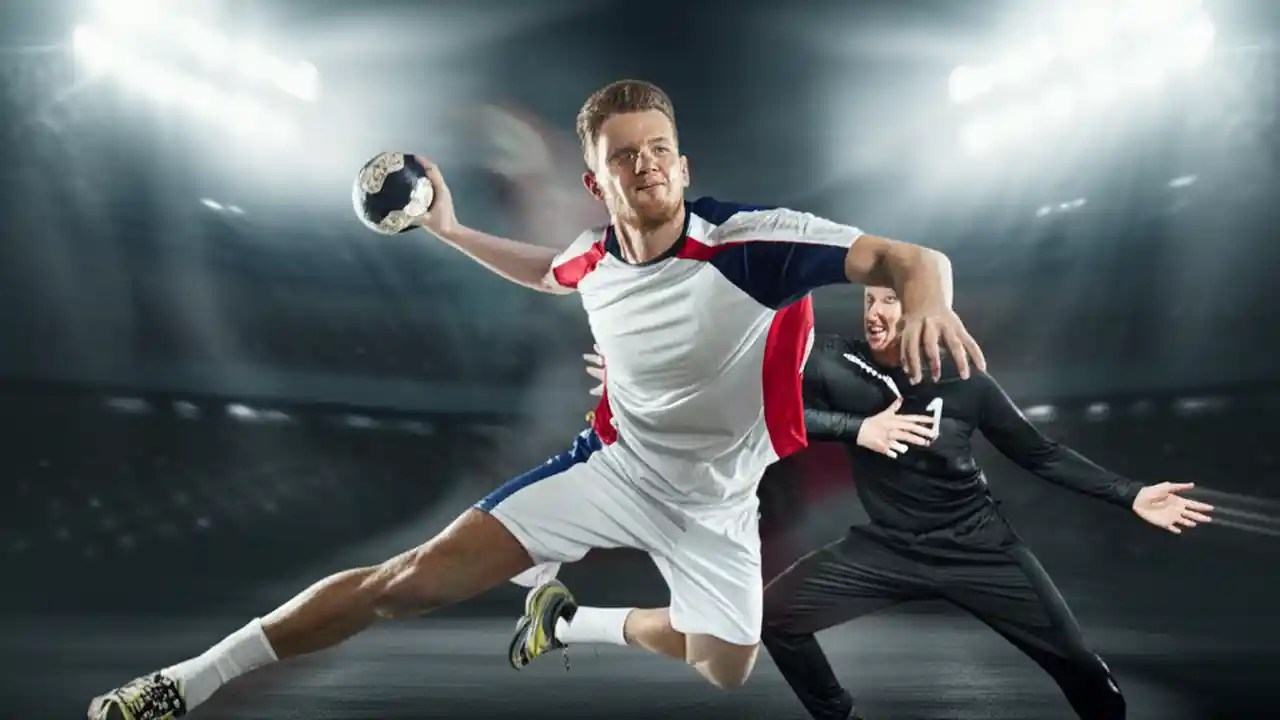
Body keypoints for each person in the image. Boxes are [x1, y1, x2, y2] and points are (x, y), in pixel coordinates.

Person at [87, 79, 984, 719]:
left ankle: (570, 622)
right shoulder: (593, 256)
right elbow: (548, 273)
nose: (648, 167)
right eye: (624, 157)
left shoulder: (755, 245)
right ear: (599, 180)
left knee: (725, 667)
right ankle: (186, 682)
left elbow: (914, 260)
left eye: (660, 150)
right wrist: (446, 229)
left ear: (683, 160)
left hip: (717, 499)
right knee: (405, 585)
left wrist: (930, 301)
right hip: (616, 470)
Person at [756, 285, 1215, 720]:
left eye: (890, 301)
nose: (874, 314)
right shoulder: (835, 361)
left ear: (923, 308)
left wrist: (1130, 493)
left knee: (1078, 665)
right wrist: (857, 428)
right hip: (888, 548)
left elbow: (1041, 454)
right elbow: (769, 410)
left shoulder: (965, 382)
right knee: (772, 617)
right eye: (869, 300)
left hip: (978, 546)